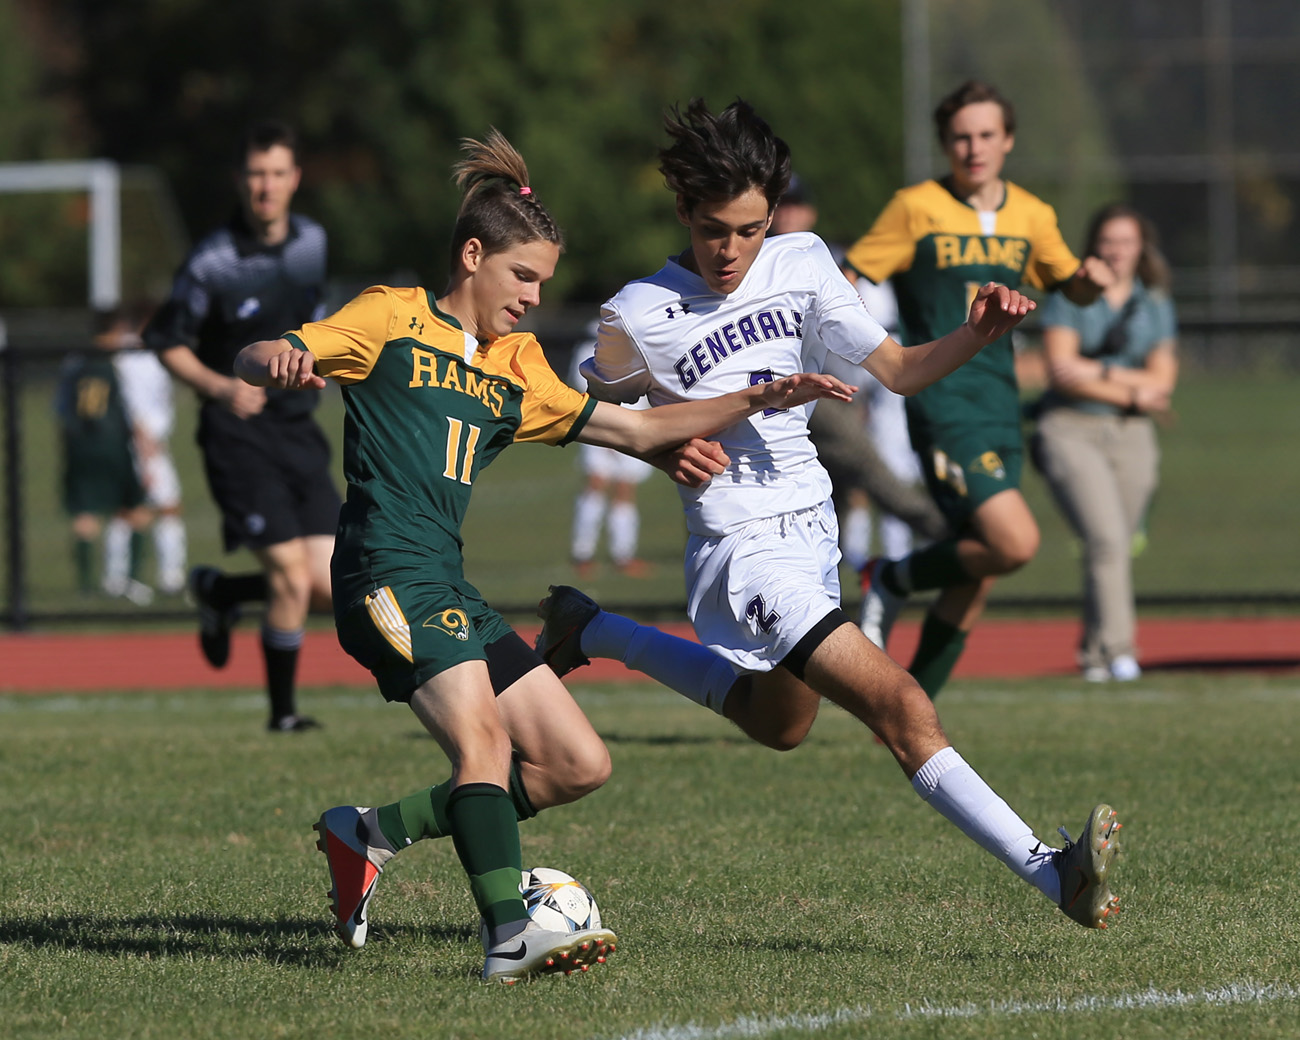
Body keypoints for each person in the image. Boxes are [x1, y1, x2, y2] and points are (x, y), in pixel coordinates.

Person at [233, 130, 854, 982]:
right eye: (523, 277)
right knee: (482, 746)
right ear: (474, 255)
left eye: (544, 283)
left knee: (575, 763)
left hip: (446, 582)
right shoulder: (389, 319)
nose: (532, 297)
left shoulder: (515, 366)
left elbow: (632, 427)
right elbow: (258, 352)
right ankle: (508, 936)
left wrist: (758, 396)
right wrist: (276, 357)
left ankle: (367, 833)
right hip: (383, 574)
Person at [535, 97, 1123, 935]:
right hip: (740, 551)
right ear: (682, 211)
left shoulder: (806, 261)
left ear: (772, 215)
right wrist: (654, 449)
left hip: (814, 536)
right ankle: (1052, 873)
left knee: (780, 724)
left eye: (747, 229)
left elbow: (903, 369)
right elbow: (583, 411)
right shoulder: (639, 312)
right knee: (902, 704)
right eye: (711, 230)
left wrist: (977, 333)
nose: (729, 250)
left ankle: (591, 632)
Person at [842, 80, 1114, 700]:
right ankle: (892, 576)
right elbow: (850, 276)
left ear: (1008, 139)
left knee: (980, 567)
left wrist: (1092, 280)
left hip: (998, 402)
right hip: (943, 400)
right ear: (945, 143)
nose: (975, 147)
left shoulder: (1033, 215)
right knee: (1012, 542)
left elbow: (1071, 283)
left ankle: (913, 710)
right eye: (961, 136)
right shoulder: (915, 206)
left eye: (987, 134)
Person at [144, 119, 338, 732]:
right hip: (238, 437)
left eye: (278, 173)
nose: (266, 187)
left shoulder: (313, 242)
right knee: (286, 573)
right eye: (256, 174)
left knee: (331, 584)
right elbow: (165, 340)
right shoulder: (213, 261)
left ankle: (224, 594)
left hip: (299, 432)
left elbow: (318, 321)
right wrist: (223, 387)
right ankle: (283, 716)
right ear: (240, 179)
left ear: (295, 179)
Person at [1033, 204, 1178, 682]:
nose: (1116, 251)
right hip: (1070, 429)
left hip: (1133, 434)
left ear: (1142, 248)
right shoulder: (1071, 294)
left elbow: (1163, 382)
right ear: (1094, 245)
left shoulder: (1153, 302)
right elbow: (1060, 371)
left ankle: (1094, 653)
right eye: (1108, 241)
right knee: (1106, 539)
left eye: (1126, 241)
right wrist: (1137, 390)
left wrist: (1104, 373)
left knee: (1115, 545)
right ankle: (1120, 652)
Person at [772, 175, 947, 567]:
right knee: (861, 466)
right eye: (780, 205)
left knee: (838, 485)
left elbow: (868, 332)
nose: (787, 214)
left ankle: (830, 569)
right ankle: (941, 528)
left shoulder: (828, 261)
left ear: (811, 211)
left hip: (832, 388)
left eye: (795, 205)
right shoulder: (744, 262)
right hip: (782, 393)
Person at [55, 306, 154, 604]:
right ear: (113, 332)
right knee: (135, 510)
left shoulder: (74, 362)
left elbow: (61, 408)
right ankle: (133, 580)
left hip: (79, 445)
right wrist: (143, 444)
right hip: (112, 445)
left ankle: (86, 587)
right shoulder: (114, 364)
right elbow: (127, 409)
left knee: (85, 515)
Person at [567, 322, 655, 578]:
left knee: (625, 490)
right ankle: (582, 553)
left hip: (636, 425)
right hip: (598, 423)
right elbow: (582, 388)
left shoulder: (642, 347)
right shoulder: (589, 348)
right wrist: (607, 428)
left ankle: (623, 554)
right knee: (595, 484)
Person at [113, 308, 188, 596]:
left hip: (154, 441)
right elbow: (130, 401)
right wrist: (144, 440)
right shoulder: (132, 358)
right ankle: (136, 576)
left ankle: (161, 575)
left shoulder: (157, 354)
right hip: (141, 443)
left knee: (156, 507)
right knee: (144, 507)